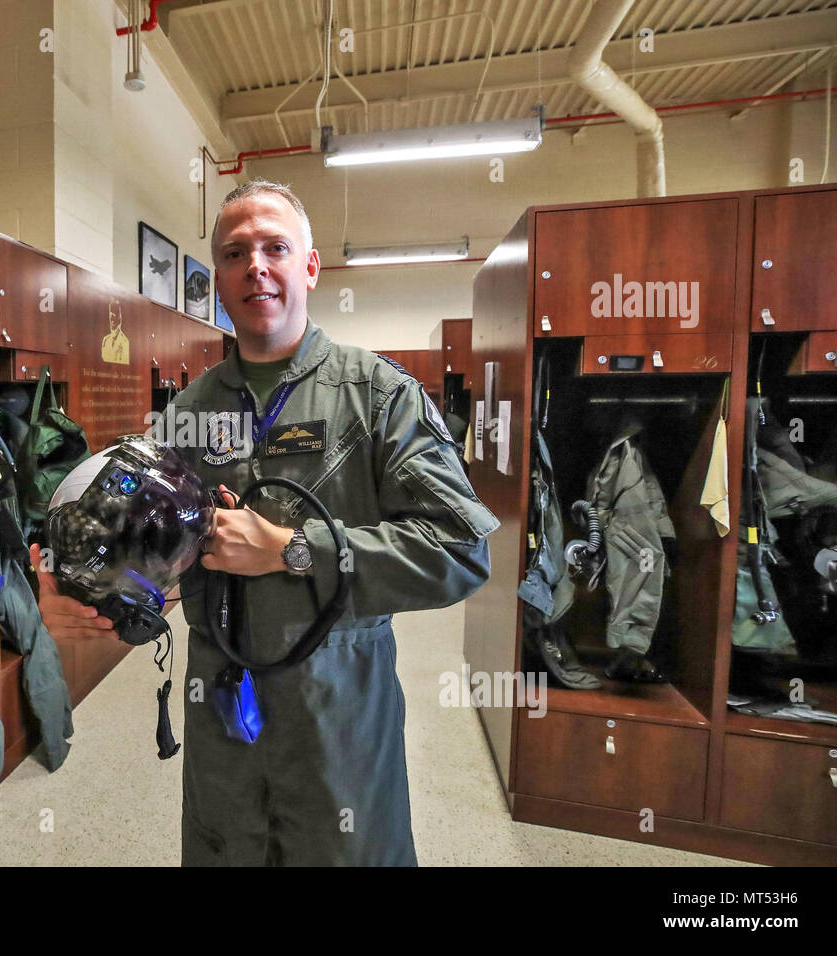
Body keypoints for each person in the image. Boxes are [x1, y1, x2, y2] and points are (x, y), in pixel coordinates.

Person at [30, 180, 498, 866]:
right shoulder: (185, 413)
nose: (256, 265)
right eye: (235, 252)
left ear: (309, 267)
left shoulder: (377, 396)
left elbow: (460, 548)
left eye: (276, 247)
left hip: (336, 713)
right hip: (223, 714)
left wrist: (295, 551)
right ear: (216, 278)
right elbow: (135, 551)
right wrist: (72, 594)